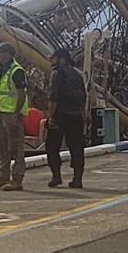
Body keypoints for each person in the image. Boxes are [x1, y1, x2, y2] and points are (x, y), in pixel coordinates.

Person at [0, 41, 29, 191]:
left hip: (12, 113)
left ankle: (17, 178)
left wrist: (17, 114)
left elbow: (21, 94)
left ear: (7, 54)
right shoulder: (0, 68)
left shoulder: (17, 71)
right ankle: (3, 175)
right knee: (0, 144)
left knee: (15, 146)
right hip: (2, 112)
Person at [45, 47, 87, 189]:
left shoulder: (57, 74)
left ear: (61, 59)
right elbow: (83, 97)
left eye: (54, 58)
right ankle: (77, 179)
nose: (52, 60)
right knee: (76, 148)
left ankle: (56, 176)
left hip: (60, 116)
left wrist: (50, 117)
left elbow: (53, 98)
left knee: (52, 147)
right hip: (76, 115)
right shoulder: (77, 75)